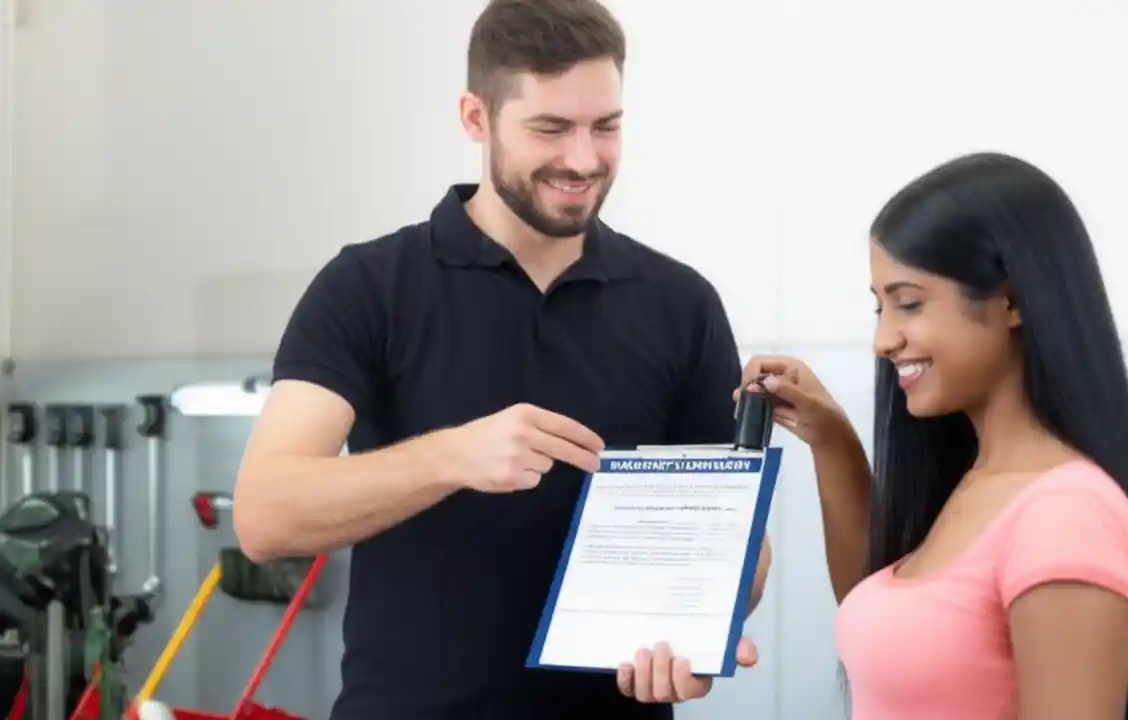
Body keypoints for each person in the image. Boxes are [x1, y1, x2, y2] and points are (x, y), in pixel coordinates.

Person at [233, 1, 768, 718]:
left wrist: (704, 628)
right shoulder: (367, 287)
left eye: (605, 127)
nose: (583, 158)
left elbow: (739, 544)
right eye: (550, 128)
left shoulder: (681, 303)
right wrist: (453, 457)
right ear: (476, 118)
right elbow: (266, 516)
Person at [740, 151, 1128, 719]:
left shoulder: (1068, 513)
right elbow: (887, 622)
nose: (884, 339)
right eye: (880, 308)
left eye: (910, 304)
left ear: (1012, 300)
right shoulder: (979, 485)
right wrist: (832, 440)